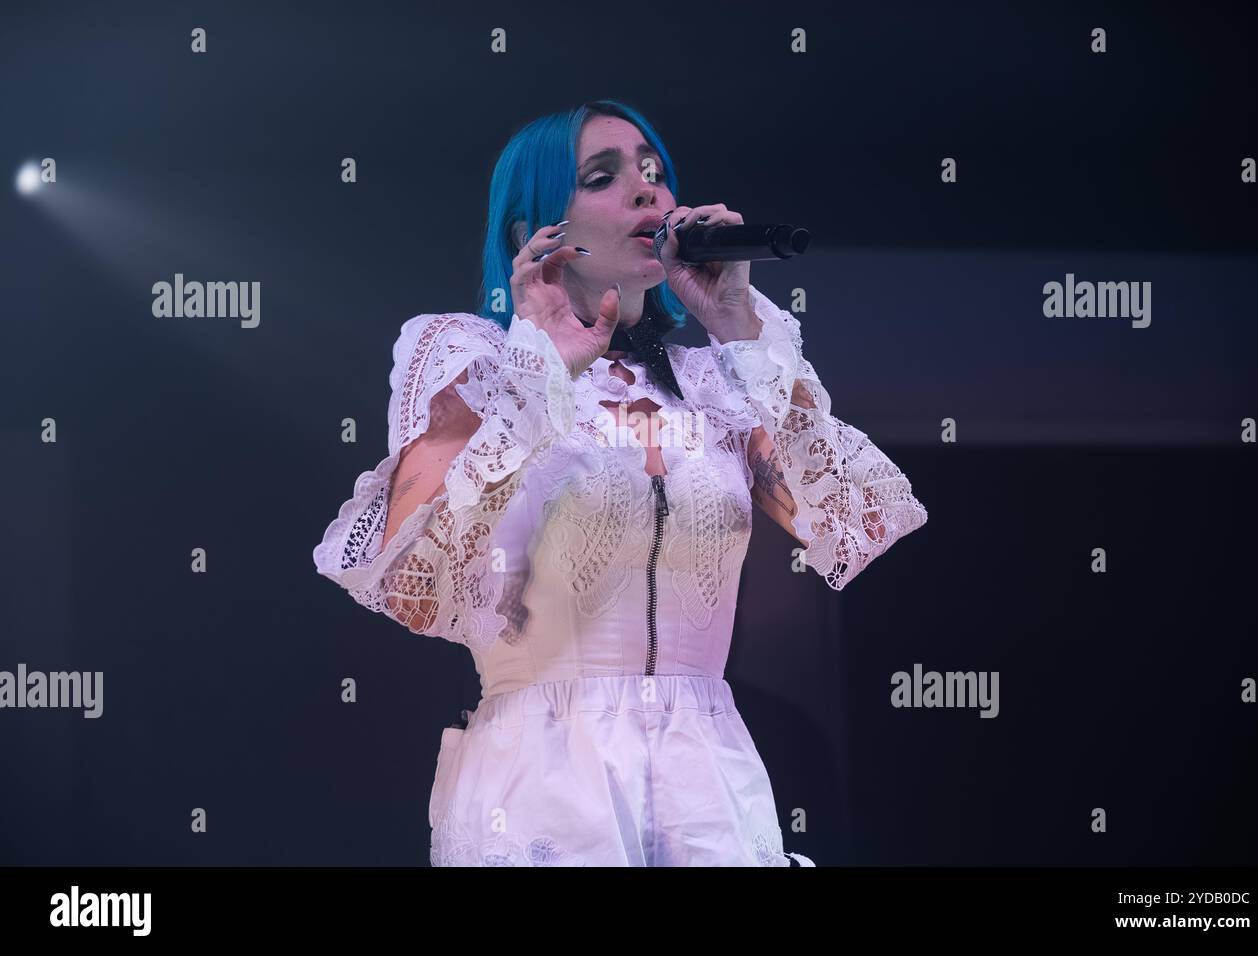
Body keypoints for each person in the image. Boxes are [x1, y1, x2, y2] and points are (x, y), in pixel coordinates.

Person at [312, 99, 929, 866]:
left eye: (654, 171)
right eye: (602, 177)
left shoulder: (717, 386)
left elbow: (855, 525)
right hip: (545, 784)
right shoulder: (477, 367)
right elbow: (413, 588)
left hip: (709, 782)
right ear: (528, 232)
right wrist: (542, 381)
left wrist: (738, 327)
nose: (646, 192)